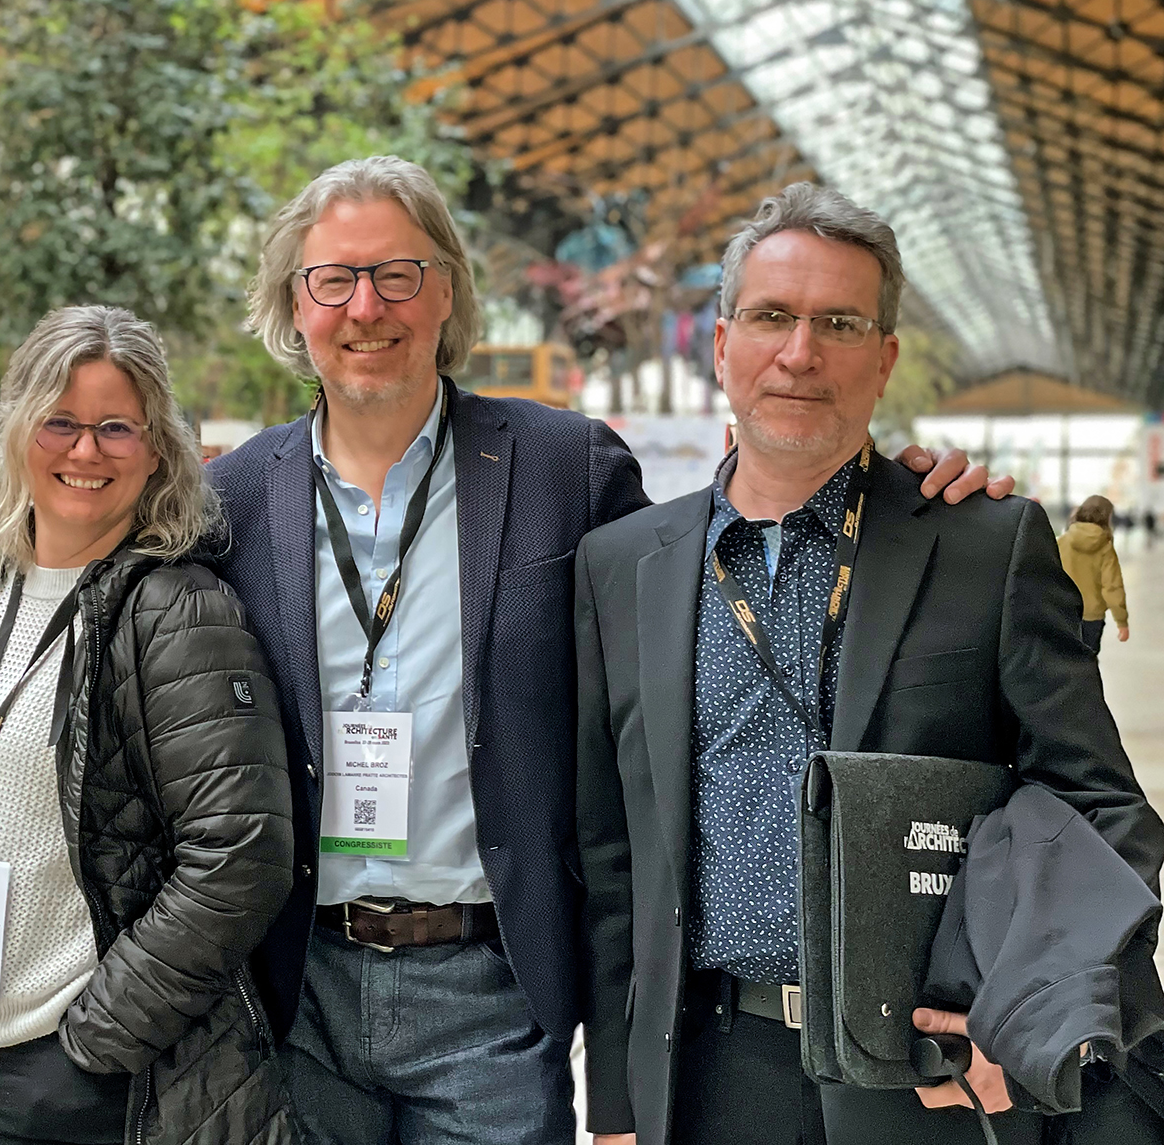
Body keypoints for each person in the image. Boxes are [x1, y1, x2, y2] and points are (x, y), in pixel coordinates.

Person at [204, 157, 1011, 1145]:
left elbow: (692, 606)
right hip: (301, 993)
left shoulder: (563, 467)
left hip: (495, 996)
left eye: (398, 273)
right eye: (335, 277)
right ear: (297, 301)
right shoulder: (238, 497)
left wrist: (914, 497)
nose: (366, 306)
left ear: (447, 288)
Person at [572, 183, 1164, 1145]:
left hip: (932, 1077)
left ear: (884, 360)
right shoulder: (622, 568)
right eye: (771, 318)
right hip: (712, 1073)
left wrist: (1026, 1010)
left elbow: (1103, 808)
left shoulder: (987, 546)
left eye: (838, 323)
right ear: (721, 347)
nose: (800, 354)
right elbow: (608, 859)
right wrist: (618, 1105)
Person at [0, 306, 295, 1145]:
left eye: (115, 427)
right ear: (17, 432)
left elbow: (242, 854)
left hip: (65, 1081)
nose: (84, 451)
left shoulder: (178, 611)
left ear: (157, 449)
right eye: (60, 422)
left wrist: (101, 1038)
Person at [1061, 496, 1130, 654]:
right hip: (1092, 617)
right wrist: (1122, 621)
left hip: (1064, 612)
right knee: (1088, 663)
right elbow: (1112, 587)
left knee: (1065, 661)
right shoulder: (1105, 548)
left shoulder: (1062, 542)